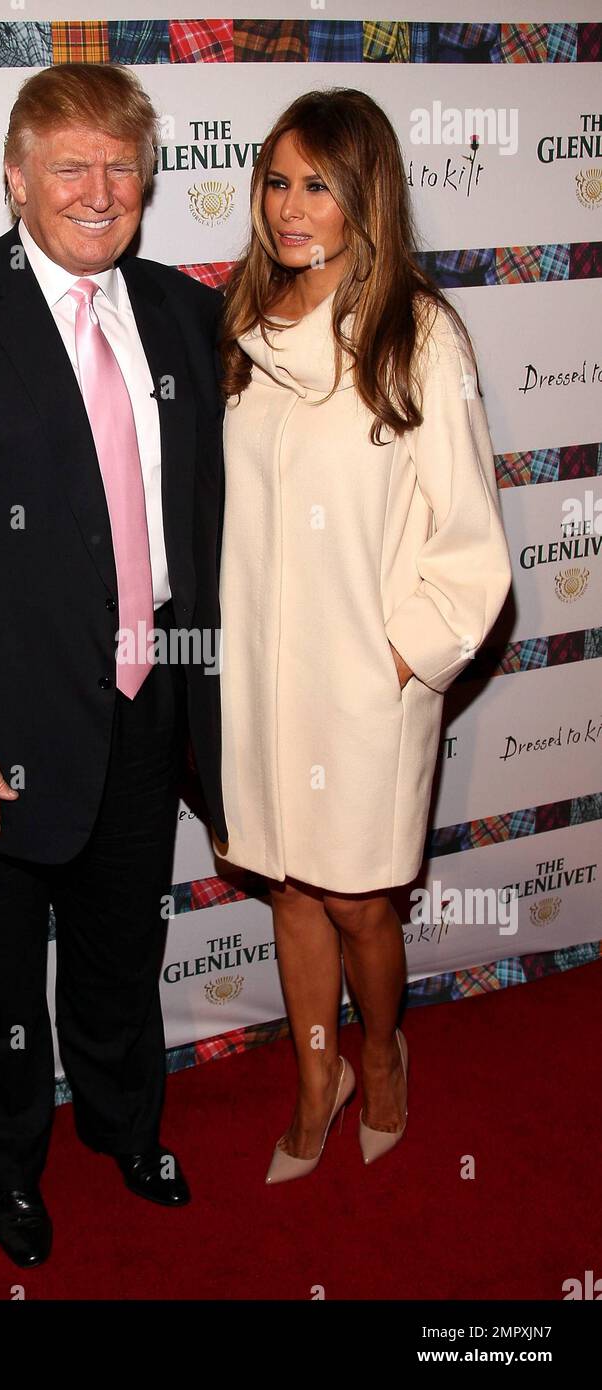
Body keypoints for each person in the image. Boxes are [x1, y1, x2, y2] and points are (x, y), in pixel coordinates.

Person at [0, 63, 227, 1266]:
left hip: (146, 698)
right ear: (14, 177)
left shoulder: (182, 312)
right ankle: (10, 1170)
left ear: (149, 177)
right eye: (69, 163)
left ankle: (125, 1126)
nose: (98, 189)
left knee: (125, 948)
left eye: (122, 165)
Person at [214, 88, 512, 1182]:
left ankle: (378, 1052)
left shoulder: (417, 335)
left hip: (366, 685)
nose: (290, 208)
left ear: (363, 196)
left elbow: (471, 547)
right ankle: (313, 1076)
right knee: (290, 889)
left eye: (319, 186)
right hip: (257, 678)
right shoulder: (242, 332)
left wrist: (398, 660)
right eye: (277, 181)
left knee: (356, 899)